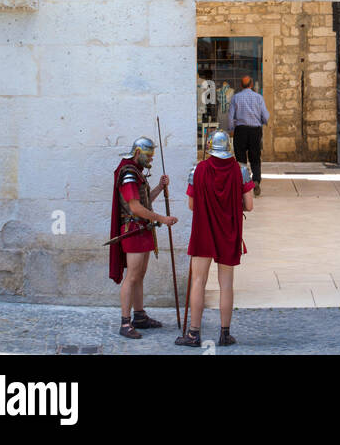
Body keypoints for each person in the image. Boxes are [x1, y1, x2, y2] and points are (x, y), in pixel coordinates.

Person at [175, 130, 255, 349]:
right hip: (229, 232)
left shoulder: (198, 169)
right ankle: (224, 334)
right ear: (227, 146)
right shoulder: (241, 170)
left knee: (198, 282)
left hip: (203, 231)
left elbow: (192, 205)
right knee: (226, 285)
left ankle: (193, 334)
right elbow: (249, 205)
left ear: (210, 147)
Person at [109, 135, 178, 340]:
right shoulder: (129, 173)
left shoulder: (137, 172)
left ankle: (139, 316)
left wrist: (158, 187)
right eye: (148, 156)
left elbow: (144, 201)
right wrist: (162, 218)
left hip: (142, 230)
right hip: (134, 231)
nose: (151, 160)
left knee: (139, 275)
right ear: (138, 153)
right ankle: (125, 322)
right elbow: (135, 207)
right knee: (132, 276)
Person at [227, 74, 269, 195]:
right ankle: (256, 180)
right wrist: (263, 122)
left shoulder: (236, 97)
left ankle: (244, 182)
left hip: (241, 130)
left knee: (240, 158)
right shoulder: (259, 98)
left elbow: (231, 116)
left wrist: (231, 129)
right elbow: (265, 116)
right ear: (251, 85)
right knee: (255, 157)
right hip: (255, 130)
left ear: (241, 85)